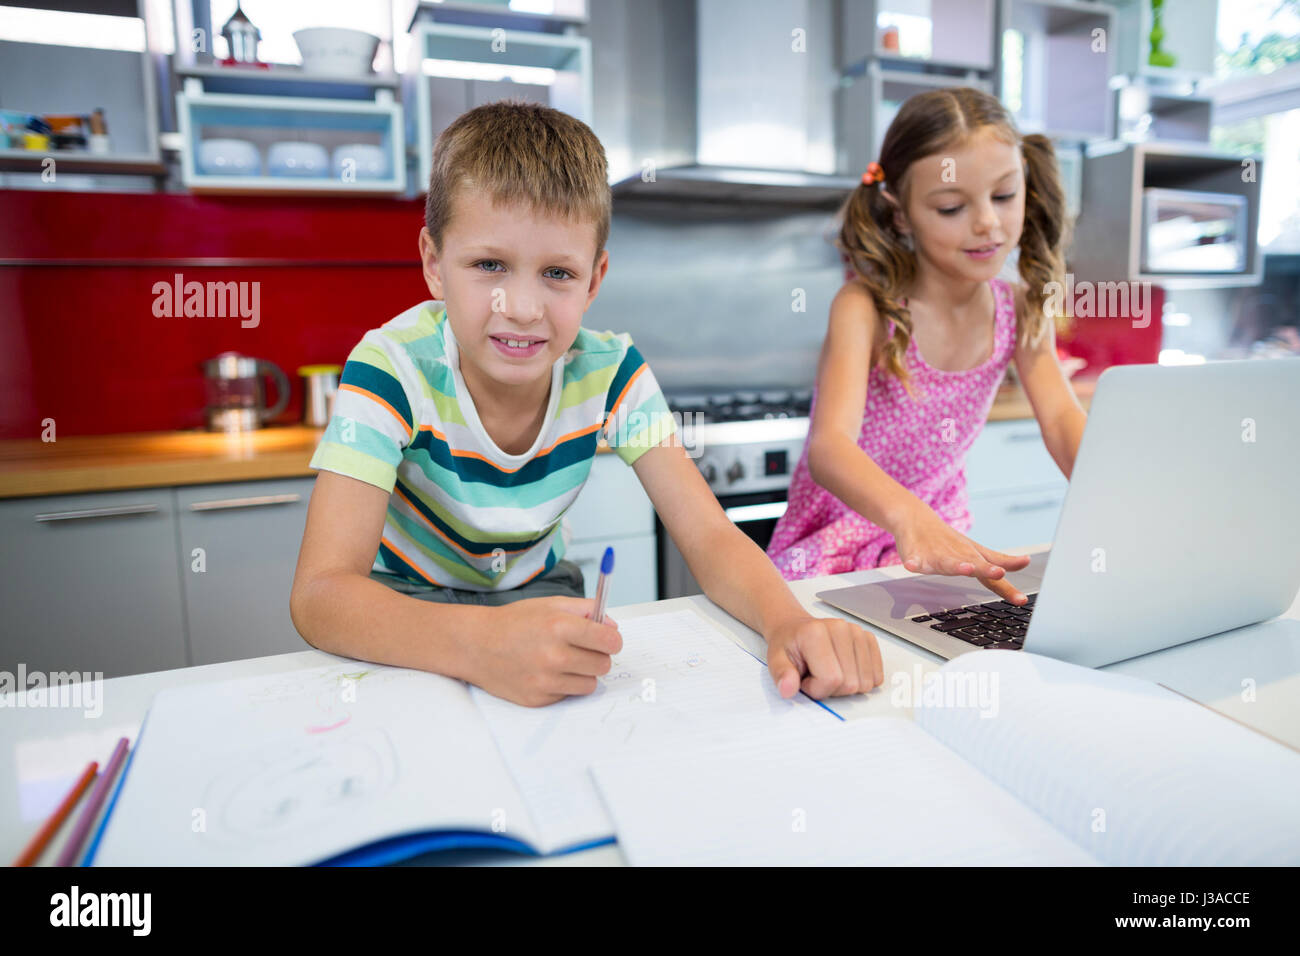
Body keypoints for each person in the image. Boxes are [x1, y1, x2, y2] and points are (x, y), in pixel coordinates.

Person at [291, 101, 883, 707]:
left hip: (540, 595)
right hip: (405, 613)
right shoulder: (391, 366)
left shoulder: (610, 370)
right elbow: (321, 594)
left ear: (595, 280)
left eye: (557, 274)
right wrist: (479, 643)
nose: (521, 307)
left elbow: (707, 534)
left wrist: (786, 620)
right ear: (434, 264)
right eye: (489, 265)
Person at [767, 87, 1086, 605]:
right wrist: (909, 518)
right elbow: (829, 449)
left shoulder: (1021, 307)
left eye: (1004, 196)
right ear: (900, 212)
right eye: (952, 206)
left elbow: (1061, 421)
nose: (987, 222)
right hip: (840, 543)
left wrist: (1121, 493)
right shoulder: (865, 306)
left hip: (940, 541)